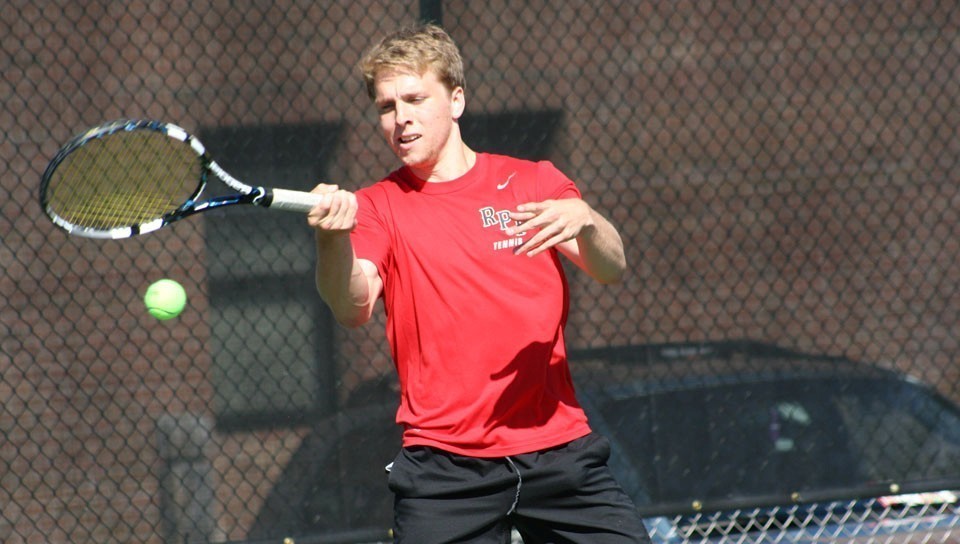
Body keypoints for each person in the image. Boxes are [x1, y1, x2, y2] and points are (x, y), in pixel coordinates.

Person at [307, 23, 650, 544]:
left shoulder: (532, 181)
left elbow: (611, 267)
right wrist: (332, 240)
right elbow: (351, 305)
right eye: (386, 106)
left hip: (558, 452)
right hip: (444, 469)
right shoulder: (376, 206)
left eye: (416, 99)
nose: (401, 118)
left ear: (457, 99)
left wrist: (586, 218)